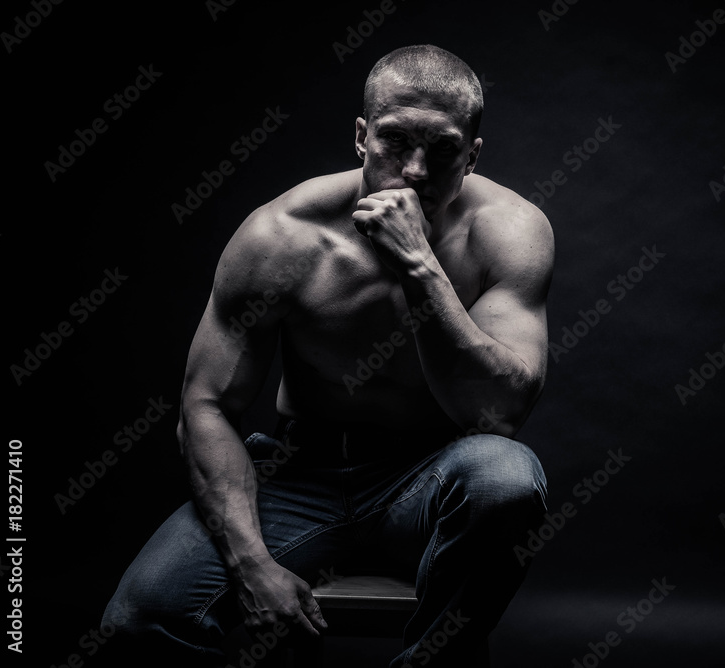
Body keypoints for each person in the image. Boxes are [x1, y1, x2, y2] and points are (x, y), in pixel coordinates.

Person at [101, 44, 554, 668]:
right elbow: (205, 406)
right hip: (299, 476)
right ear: (361, 137)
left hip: (429, 480)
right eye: (394, 141)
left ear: (473, 155)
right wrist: (251, 563)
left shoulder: (510, 231)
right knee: (143, 614)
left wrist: (421, 270)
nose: (417, 170)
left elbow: (497, 414)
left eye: (444, 148)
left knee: (505, 477)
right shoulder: (283, 234)